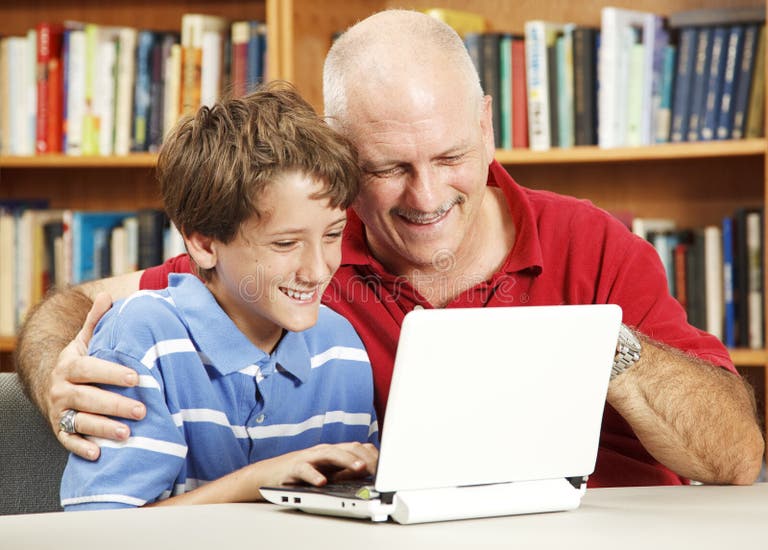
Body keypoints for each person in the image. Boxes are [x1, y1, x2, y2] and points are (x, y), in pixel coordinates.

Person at [17, 10, 763, 488]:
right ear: (341, 160)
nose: (427, 196)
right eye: (387, 169)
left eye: (450, 157)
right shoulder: (301, 261)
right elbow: (77, 305)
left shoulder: (590, 242)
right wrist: (60, 377)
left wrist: (608, 347)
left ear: (488, 124)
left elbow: (737, 459)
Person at [58, 83, 379, 510]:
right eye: (284, 244)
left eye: (333, 235)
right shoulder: (144, 339)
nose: (318, 270)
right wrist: (256, 482)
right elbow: (97, 532)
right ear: (205, 244)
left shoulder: (341, 348)